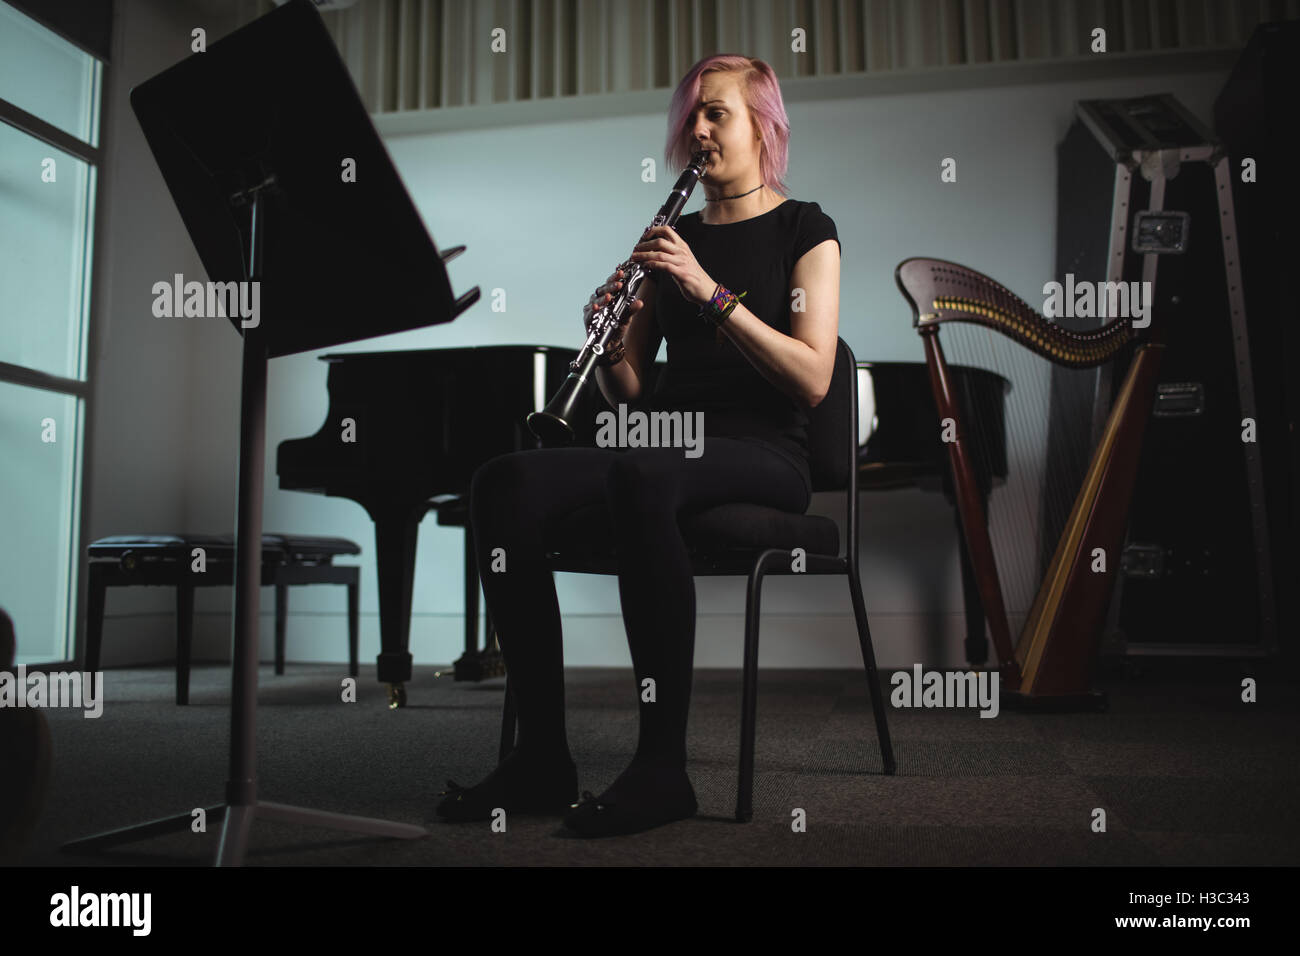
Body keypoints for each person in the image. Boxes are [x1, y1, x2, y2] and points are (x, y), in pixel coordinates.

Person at [436, 53, 841, 838]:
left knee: (641, 474)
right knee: (503, 482)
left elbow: (813, 380)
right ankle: (542, 758)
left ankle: (662, 769)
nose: (696, 128)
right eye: (690, 113)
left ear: (764, 124)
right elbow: (632, 393)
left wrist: (709, 292)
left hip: (769, 455)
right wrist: (616, 339)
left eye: (716, 112)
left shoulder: (806, 231)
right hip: (667, 443)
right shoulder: (673, 237)